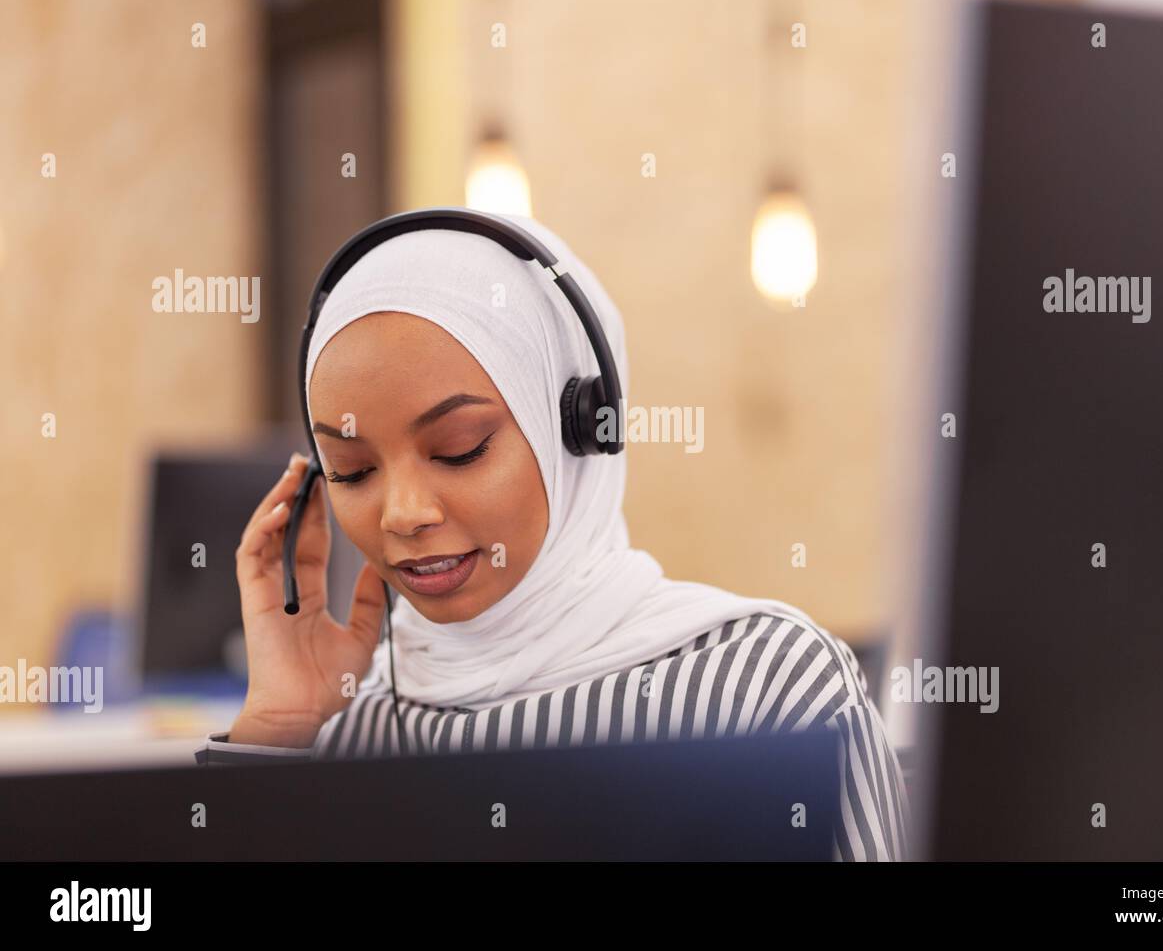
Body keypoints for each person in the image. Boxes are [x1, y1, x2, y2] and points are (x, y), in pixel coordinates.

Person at [194, 212, 910, 861]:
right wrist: (278, 728)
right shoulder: (349, 726)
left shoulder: (768, 692)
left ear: (577, 429)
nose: (402, 514)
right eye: (351, 471)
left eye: (460, 448)